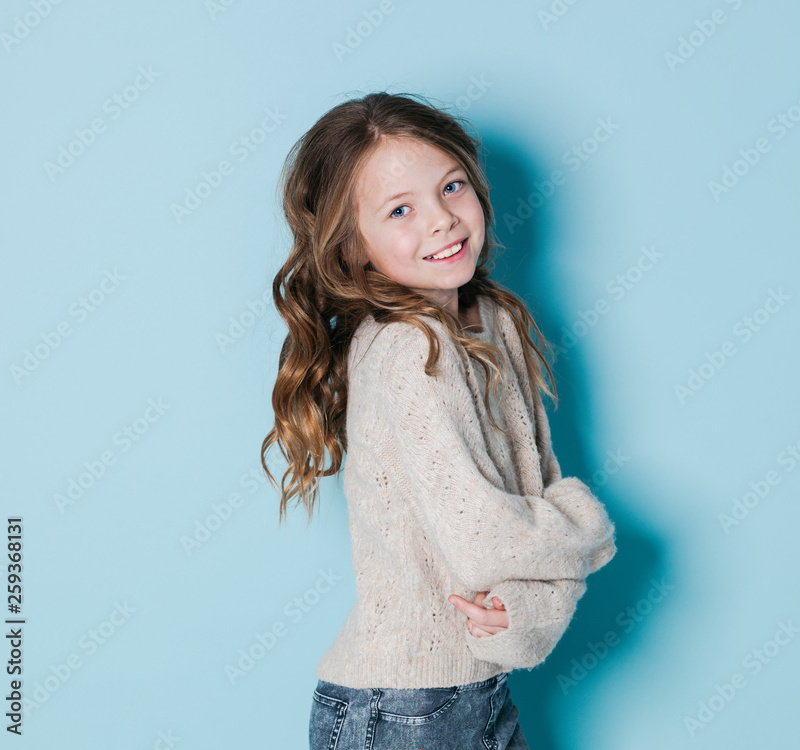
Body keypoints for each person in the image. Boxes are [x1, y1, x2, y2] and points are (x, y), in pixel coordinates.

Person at [260, 91, 617, 750]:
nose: (442, 221)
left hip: (467, 691)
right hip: (406, 708)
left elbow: (523, 508)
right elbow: (486, 539)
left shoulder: (491, 324)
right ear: (350, 248)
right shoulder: (408, 346)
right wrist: (588, 528)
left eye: (451, 187)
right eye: (400, 210)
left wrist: (529, 604)